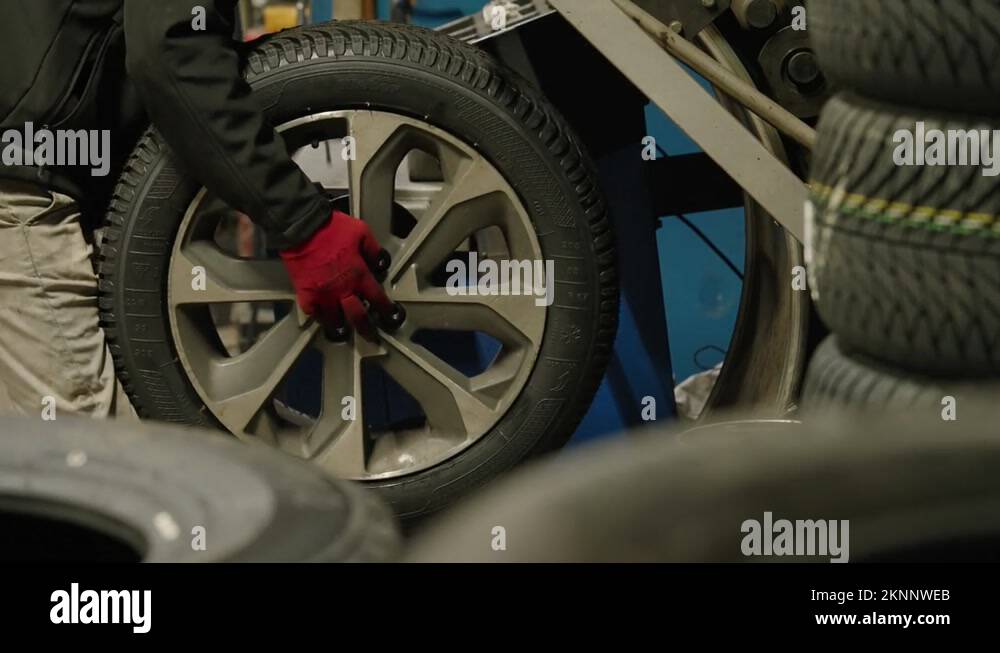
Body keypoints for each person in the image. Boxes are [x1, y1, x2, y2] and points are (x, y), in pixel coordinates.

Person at [0, 0, 393, 418]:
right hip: (25, 191)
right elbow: (172, 55)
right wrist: (304, 225)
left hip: (44, 176)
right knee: (103, 467)